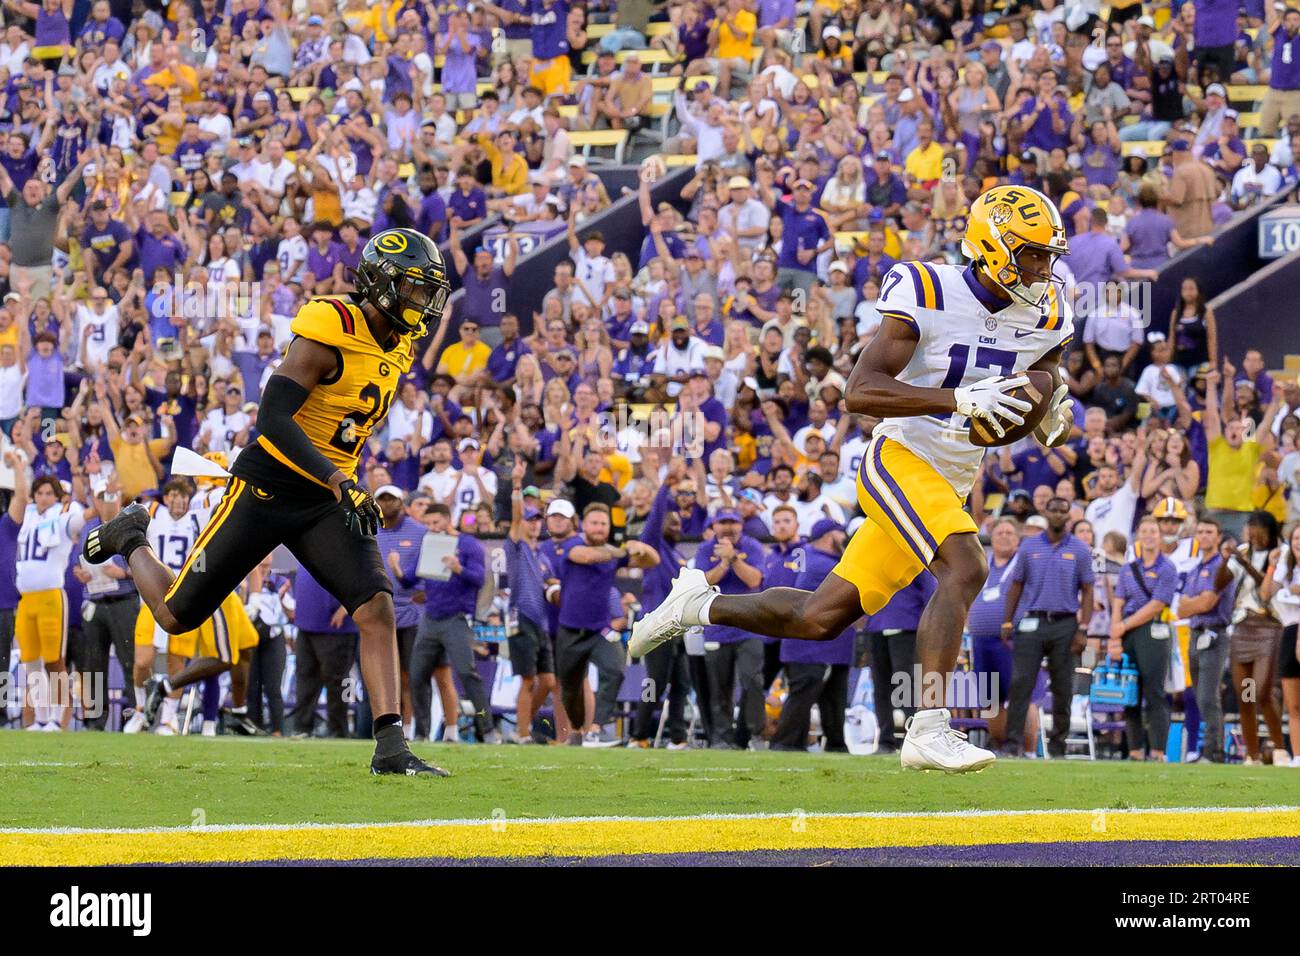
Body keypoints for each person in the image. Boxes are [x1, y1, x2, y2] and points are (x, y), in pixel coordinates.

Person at [632, 185, 1078, 773]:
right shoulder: (929, 290)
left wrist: (1047, 407)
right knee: (966, 566)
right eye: (1032, 254)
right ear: (993, 248)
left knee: (817, 618)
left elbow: (1043, 373)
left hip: (949, 481)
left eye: (1050, 255)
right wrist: (957, 400)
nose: (1045, 268)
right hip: (898, 458)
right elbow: (859, 393)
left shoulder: (1046, 310)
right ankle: (928, 727)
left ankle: (697, 606)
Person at [83, 227, 452, 776]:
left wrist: (338, 480)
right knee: (176, 615)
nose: (422, 304)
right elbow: (273, 418)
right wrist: (337, 478)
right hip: (269, 485)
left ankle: (391, 748)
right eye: (415, 290)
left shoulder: (399, 344)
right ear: (380, 285)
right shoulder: (332, 324)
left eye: (428, 292)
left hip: (328, 495)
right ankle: (131, 537)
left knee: (376, 605)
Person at [553, 502, 658, 746]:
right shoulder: (572, 543)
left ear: (609, 527)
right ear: (583, 525)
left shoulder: (613, 554)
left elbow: (652, 560)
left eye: (603, 523)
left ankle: (597, 727)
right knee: (569, 689)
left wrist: (640, 546)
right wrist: (622, 551)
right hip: (570, 629)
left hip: (600, 629)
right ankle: (577, 730)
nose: (599, 528)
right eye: (595, 523)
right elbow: (587, 556)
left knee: (615, 670)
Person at [1000, 496, 1094, 757]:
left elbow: (1088, 590)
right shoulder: (1029, 547)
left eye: (1063, 510)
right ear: (1045, 512)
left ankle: (1058, 745)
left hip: (1065, 623)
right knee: (1021, 682)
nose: (1057, 514)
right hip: (1032, 620)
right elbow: (1016, 584)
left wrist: (1083, 627)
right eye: (1053, 509)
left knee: (1063, 686)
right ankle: (1012, 742)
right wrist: (1007, 620)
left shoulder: (1080, 549)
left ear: (1068, 516)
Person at [410, 502, 494, 743]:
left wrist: (458, 568)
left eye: (435, 522)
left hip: (457, 618)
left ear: (448, 520)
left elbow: (479, 579)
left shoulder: (468, 544)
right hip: (430, 617)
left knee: (468, 674)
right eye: (427, 524)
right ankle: (422, 733)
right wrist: (397, 570)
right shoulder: (429, 544)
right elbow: (409, 577)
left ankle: (487, 730)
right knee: (417, 675)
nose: (431, 527)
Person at [771, 519, 854, 752]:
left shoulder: (803, 558)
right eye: (841, 533)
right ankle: (784, 744)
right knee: (804, 698)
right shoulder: (826, 565)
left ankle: (835, 745)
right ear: (829, 536)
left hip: (819, 646)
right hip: (813, 647)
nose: (845, 539)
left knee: (831, 700)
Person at [15, 475, 85, 729]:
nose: (43, 497)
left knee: (54, 660)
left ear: (57, 497)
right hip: (25, 598)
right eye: (40, 492)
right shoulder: (27, 513)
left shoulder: (63, 513)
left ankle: (57, 716)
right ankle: (41, 718)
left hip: (50, 596)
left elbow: (78, 522)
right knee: (31, 661)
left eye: (49, 493)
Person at [1109, 515, 1179, 761]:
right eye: (1144, 530)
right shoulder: (1129, 568)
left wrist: (1123, 624)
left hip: (1153, 631)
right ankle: (1135, 750)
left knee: (1154, 691)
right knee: (1130, 691)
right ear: (1138, 536)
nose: (1149, 535)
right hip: (1127, 633)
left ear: (1160, 537)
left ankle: (1158, 750)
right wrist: (1115, 634)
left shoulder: (1168, 568)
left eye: (1153, 531)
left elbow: (1157, 604)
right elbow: (1118, 601)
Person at [696, 509, 768, 749]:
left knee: (753, 680)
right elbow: (703, 582)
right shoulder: (705, 549)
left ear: (741, 525)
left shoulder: (754, 546)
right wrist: (725, 562)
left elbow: (754, 580)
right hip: (716, 626)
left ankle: (754, 734)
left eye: (733, 523)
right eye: (723, 522)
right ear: (714, 525)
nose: (728, 527)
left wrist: (734, 558)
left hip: (749, 626)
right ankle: (722, 738)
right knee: (719, 688)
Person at [1223, 510, 1288, 764]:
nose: (1253, 537)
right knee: (1246, 693)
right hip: (1243, 626)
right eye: (1250, 531)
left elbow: (1265, 593)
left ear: (1270, 532)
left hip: (1268, 626)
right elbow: (1220, 583)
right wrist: (1224, 560)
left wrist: (1245, 564)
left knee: (1262, 690)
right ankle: (1252, 753)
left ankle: (1279, 747)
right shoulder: (1243, 550)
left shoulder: (1281, 554)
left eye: (1257, 532)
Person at [504, 459, 558, 744]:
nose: (534, 525)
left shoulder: (544, 557)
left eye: (538, 520)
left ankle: (520, 725)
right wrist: (516, 483)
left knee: (548, 681)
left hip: (541, 621)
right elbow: (515, 519)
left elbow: (551, 584)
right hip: (521, 615)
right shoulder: (516, 546)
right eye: (530, 520)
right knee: (527, 680)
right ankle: (523, 733)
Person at [1177, 517, 1236, 763]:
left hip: (1214, 634)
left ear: (1218, 536)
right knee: (1197, 694)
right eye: (1200, 531)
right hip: (1195, 634)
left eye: (1209, 531)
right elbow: (1181, 608)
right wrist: (1196, 602)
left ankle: (1214, 751)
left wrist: (1196, 602)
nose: (1204, 535)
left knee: (1208, 696)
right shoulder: (1192, 570)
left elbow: (1208, 602)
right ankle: (1206, 748)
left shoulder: (1222, 568)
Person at [964, 517, 1020, 748]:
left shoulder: (1021, 563)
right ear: (991, 538)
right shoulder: (982, 564)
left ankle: (1022, 746)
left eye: (1010, 533)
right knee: (990, 699)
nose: (1005, 536)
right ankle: (998, 743)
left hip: (1011, 640)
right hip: (980, 639)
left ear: (1018, 539)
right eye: (1000, 533)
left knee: (1017, 695)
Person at [1261, 521, 1300, 765]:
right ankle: (1297, 755)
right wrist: (1272, 565)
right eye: (1296, 539)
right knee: (1293, 704)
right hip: (1288, 630)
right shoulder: (1286, 568)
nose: (1299, 543)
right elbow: (1265, 594)